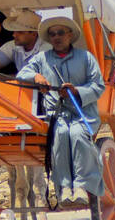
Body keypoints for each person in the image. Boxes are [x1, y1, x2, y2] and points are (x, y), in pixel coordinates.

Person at [17, 15, 105, 205]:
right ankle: (64, 187)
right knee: (61, 135)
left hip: (83, 115)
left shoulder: (86, 57)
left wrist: (76, 91)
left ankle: (82, 185)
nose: (56, 37)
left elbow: (98, 86)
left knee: (78, 135)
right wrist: (36, 76)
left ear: (70, 35)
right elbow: (22, 74)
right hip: (56, 116)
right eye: (52, 34)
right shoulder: (42, 58)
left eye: (60, 33)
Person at [0, 8, 47, 75]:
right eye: (14, 31)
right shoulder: (13, 45)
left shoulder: (45, 50)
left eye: (20, 32)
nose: (14, 35)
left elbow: (36, 79)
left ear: (34, 34)